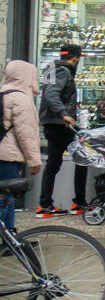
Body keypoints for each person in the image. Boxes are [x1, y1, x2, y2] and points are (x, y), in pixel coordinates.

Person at [36, 43, 87, 217]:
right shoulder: (62, 71)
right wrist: (64, 114)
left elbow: (48, 93)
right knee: (83, 159)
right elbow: (51, 94)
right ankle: (79, 203)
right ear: (75, 57)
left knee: (53, 163)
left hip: (51, 124)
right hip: (60, 124)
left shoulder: (52, 68)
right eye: (78, 58)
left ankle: (45, 205)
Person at [0, 60, 42, 230]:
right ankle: (7, 236)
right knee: (5, 199)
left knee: (5, 198)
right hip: (8, 157)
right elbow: (26, 134)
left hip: (3, 153)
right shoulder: (21, 99)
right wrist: (35, 160)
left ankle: (9, 237)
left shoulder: (3, 92)